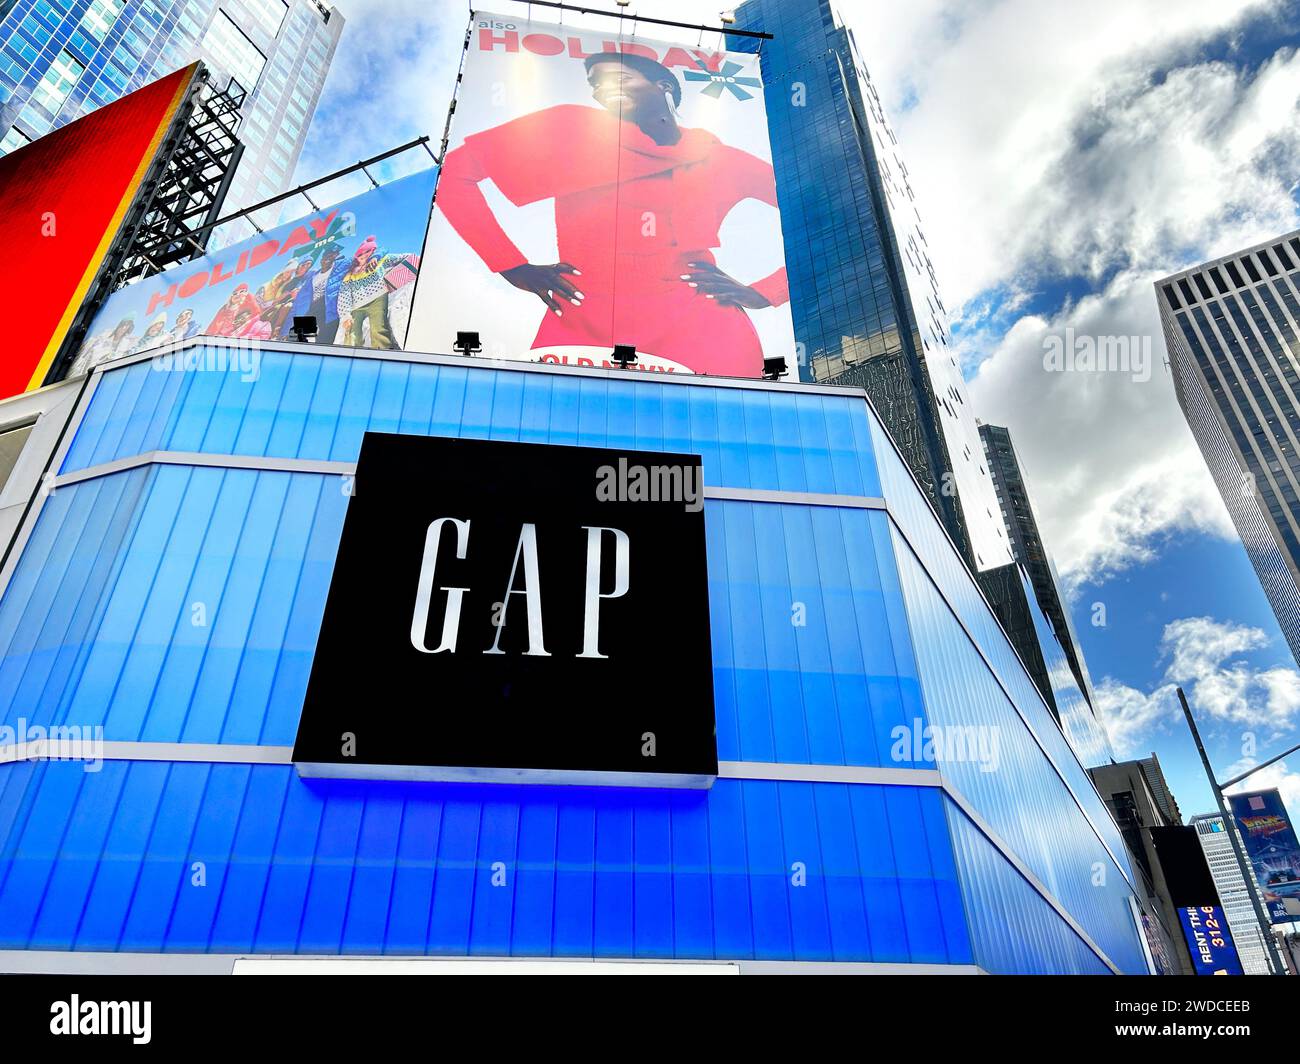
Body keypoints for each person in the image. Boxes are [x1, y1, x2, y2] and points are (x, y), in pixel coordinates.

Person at [435, 52, 788, 376]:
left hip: (704, 328)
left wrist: (765, 292)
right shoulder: (570, 128)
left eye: (620, 79)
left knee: (725, 439)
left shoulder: (722, 160)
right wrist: (511, 266)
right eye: (596, 84)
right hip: (583, 319)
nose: (604, 90)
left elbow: (824, 212)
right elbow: (451, 175)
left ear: (663, 85)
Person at [336, 235, 420, 350]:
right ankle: (349, 355)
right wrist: (345, 315)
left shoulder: (380, 261)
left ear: (373, 251)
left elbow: (407, 257)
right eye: (360, 254)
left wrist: (399, 273)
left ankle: (382, 352)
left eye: (367, 252)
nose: (363, 256)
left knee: (378, 328)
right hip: (357, 306)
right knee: (352, 332)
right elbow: (344, 295)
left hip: (378, 299)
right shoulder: (350, 275)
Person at [288, 242, 347, 343]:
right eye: (326, 256)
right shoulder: (313, 276)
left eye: (332, 255)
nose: (327, 259)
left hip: (328, 310)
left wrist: (376, 256)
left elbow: (361, 257)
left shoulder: (340, 268)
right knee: (298, 341)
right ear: (321, 259)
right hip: (310, 310)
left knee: (323, 344)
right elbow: (299, 300)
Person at [71, 316, 137, 376]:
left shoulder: (127, 343)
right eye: (123, 325)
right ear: (119, 325)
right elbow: (90, 353)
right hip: (89, 370)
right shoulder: (103, 336)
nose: (123, 328)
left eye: (127, 326)